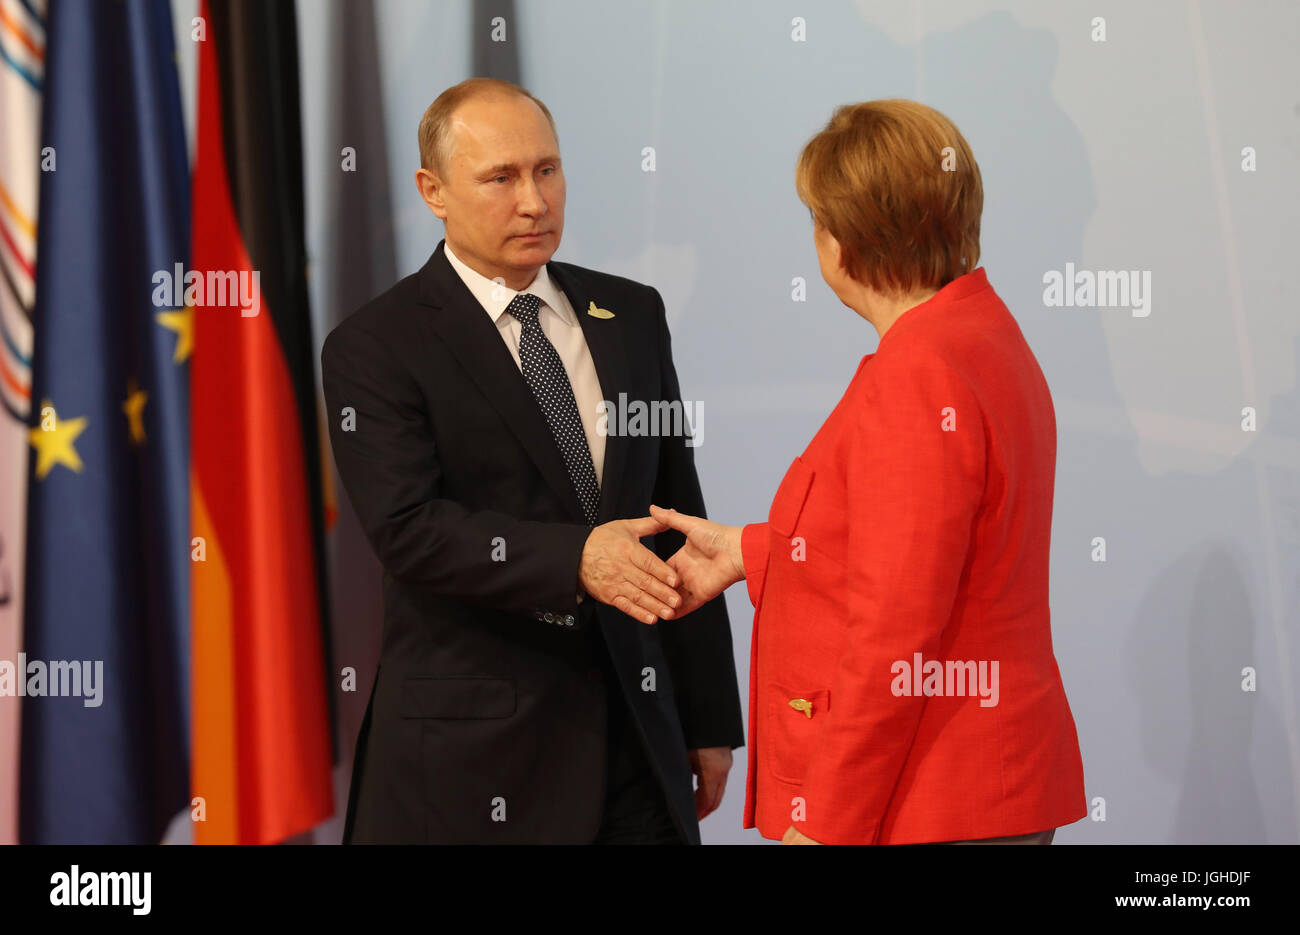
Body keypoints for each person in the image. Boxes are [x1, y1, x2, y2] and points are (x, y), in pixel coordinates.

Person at [651, 99, 1087, 845]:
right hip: (984, 786)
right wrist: (752, 551)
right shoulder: (983, 334)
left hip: (929, 799)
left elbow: (896, 630)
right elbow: (919, 558)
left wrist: (824, 825)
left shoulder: (918, 373)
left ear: (846, 242)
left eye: (817, 221)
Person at [321, 78, 743, 844]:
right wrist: (577, 556)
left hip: (638, 753)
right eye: (501, 177)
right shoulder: (376, 346)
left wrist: (708, 714)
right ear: (433, 191)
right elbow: (409, 529)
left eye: (546, 170)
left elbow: (678, 515)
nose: (534, 201)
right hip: (473, 768)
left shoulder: (632, 315)